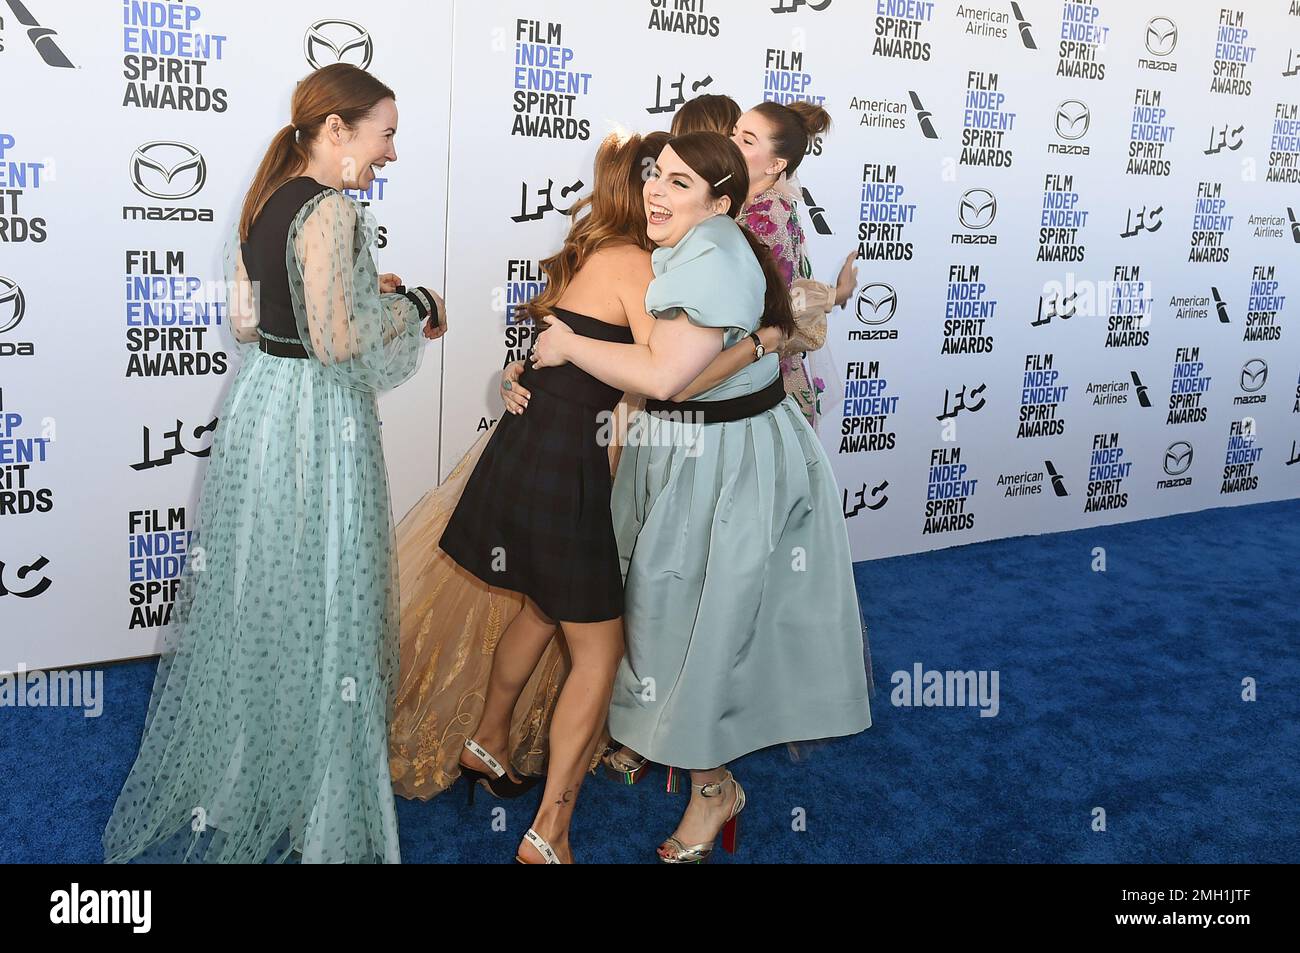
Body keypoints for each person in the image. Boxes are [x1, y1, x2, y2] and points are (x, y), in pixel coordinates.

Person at [102, 63, 443, 864]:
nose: (391, 153)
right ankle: (321, 793)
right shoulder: (331, 209)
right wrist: (414, 305)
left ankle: (245, 769)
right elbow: (336, 341)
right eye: (385, 133)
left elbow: (253, 325)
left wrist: (363, 290)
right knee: (328, 591)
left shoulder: (267, 196)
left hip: (263, 407)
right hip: (318, 423)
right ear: (337, 131)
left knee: (268, 590)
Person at [531, 132, 872, 863]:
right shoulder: (691, 243)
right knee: (662, 620)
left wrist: (566, 347)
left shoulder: (716, 253)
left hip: (729, 461)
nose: (656, 191)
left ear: (721, 201)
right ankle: (670, 751)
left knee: (699, 629)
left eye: (680, 184)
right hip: (684, 451)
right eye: (658, 176)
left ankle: (713, 787)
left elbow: (670, 379)